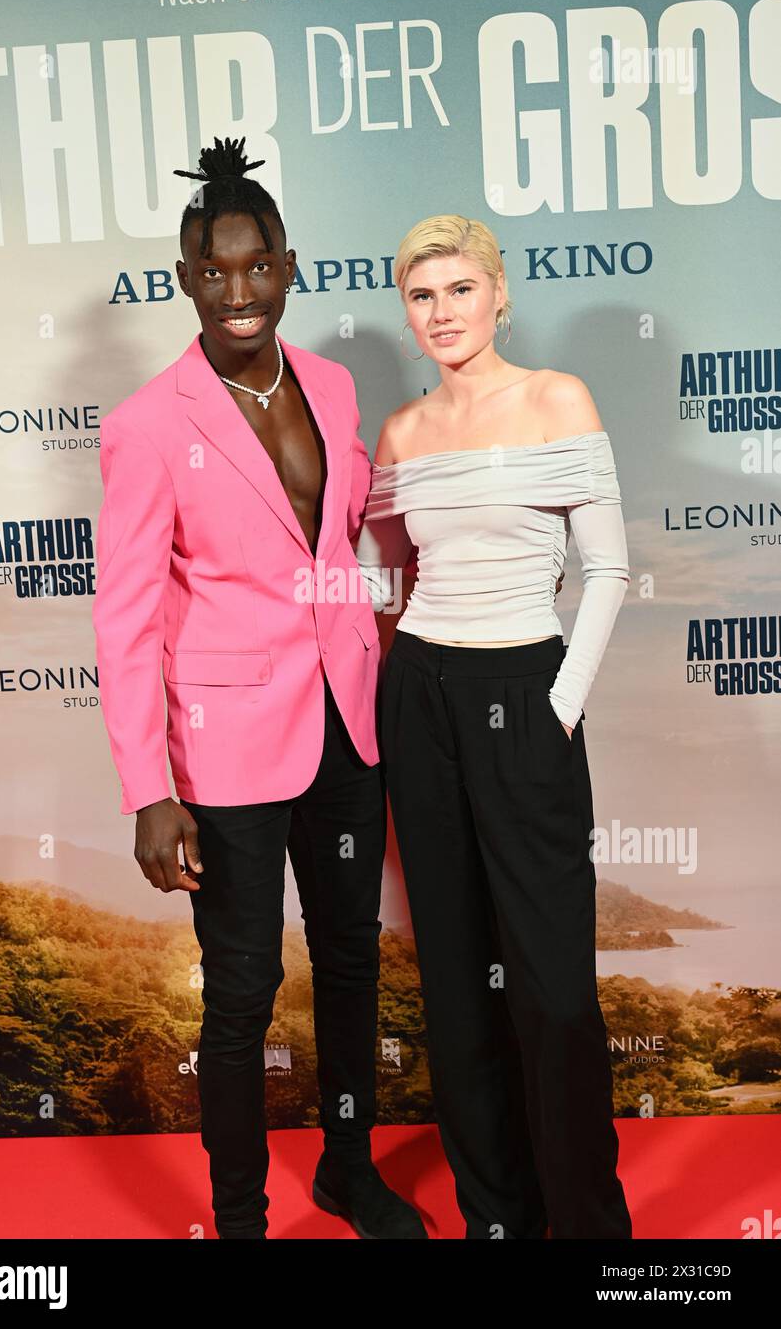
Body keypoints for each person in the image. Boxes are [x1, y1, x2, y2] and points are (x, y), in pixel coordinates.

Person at [92, 136, 425, 1240]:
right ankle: (237, 1213)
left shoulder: (331, 388)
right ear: (186, 279)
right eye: (215, 271)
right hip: (223, 747)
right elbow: (127, 615)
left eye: (258, 266)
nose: (239, 292)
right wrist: (149, 786)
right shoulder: (148, 425)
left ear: (288, 266)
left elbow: (351, 548)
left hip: (345, 724)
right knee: (240, 992)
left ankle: (345, 1167)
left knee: (346, 964)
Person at [353, 214, 633, 1239]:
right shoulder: (402, 431)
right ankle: (496, 1221)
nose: (441, 313)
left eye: (459, 290)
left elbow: (604, 569)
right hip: (422, 693)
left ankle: (591, 1236)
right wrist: (394, 694)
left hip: (526, 683)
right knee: (458, 985)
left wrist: (560, 707)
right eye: (421, 297)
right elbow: (389, 581)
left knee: (553, 988)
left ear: (498, 293)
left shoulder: (556, 398)